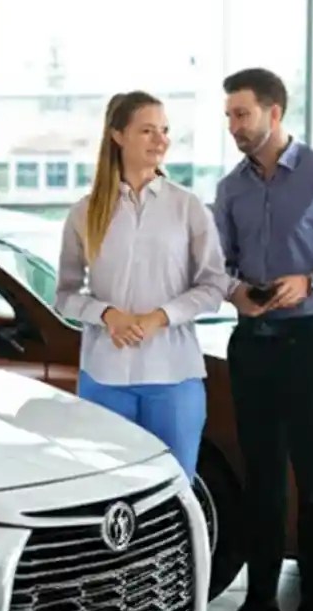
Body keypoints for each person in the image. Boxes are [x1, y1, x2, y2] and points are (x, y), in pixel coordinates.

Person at [212, 68, 313, 611]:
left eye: (242, 114)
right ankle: (259, 602)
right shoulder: (230, 189)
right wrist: (237, 292)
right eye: (229, 116)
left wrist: (311, 283)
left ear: (274, 112)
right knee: (261, 479)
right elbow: (219, 266)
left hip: (306, 343)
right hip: (250, 344)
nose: (233, 126)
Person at [54, 90, 230, 480]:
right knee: (107, 489)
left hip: (174, 377)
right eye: (147, 130)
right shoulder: (84, 213)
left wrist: (159, 317)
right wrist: (106, 315)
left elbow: (214, 285)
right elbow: (64, 295)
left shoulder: (187, 207)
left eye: (164, 130)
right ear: (117, 135)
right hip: (104, 377)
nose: (160, 140)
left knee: (174, 489)